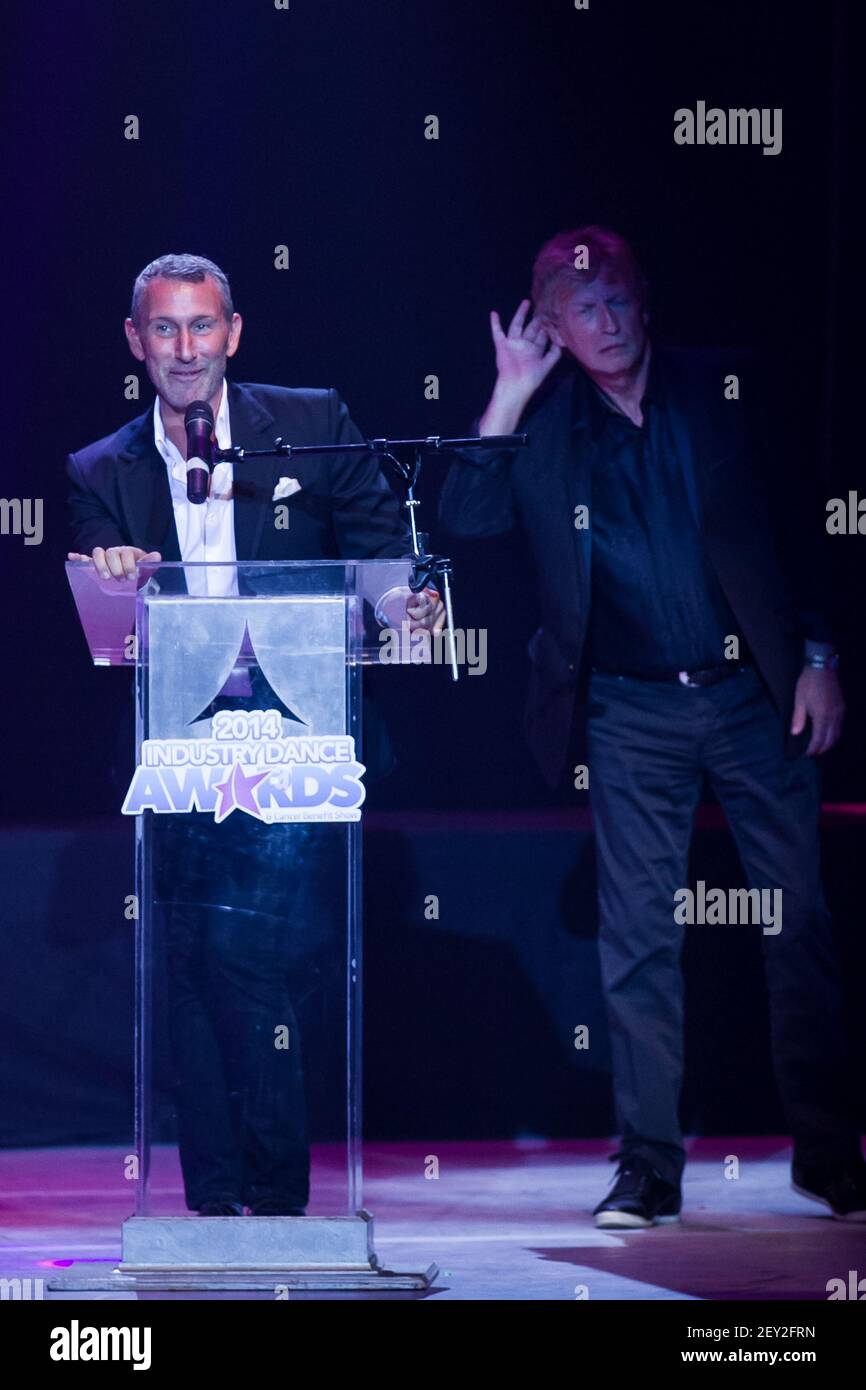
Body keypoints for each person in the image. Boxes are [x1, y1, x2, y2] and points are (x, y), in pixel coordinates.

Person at [439, 224, 865, 1227]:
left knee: (795, 921)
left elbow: (798, 524)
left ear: (645, 298)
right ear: (548, 327)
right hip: (627, 708)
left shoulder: (722, 389)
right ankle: (648, 1165)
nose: (608, 318)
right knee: (637, 940)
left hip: (753, 696)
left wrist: (814, 655)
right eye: (582, 308)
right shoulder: (541, 427)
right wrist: (504, 392)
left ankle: (826, 1150)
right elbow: (462, 515)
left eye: (619, 297)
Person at [67, 253, 443, 1215]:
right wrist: (117, 576)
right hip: (180, 739)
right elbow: (106, 625)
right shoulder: (101, 468)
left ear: (233, 333)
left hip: (298, 723)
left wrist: (410, 598)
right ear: (135, 342)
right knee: (193, 958)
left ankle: (270, 1196)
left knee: (253, 957)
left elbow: (381, 549)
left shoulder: (308, 424)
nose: (185, 349)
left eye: (202, 327)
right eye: (165, 329)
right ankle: (219, 1195)